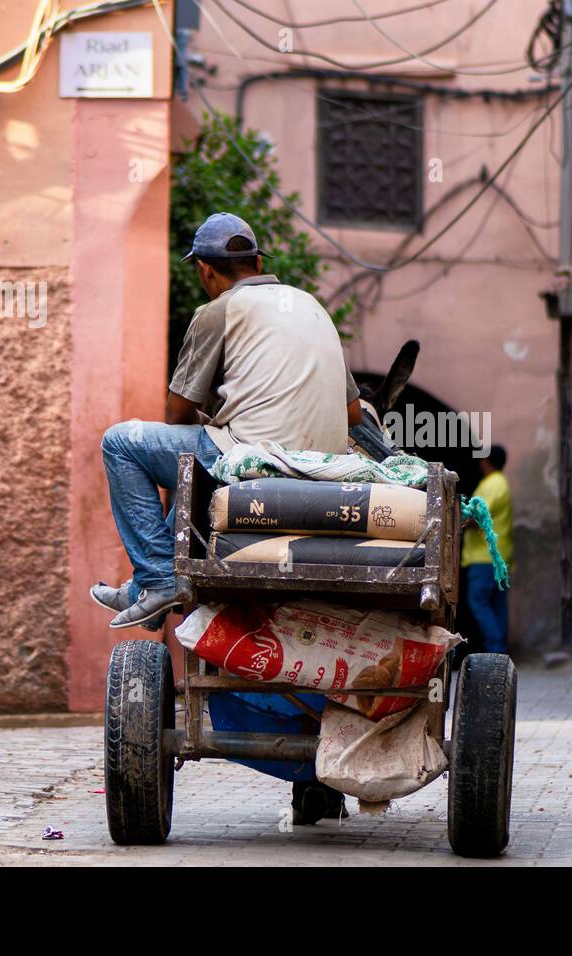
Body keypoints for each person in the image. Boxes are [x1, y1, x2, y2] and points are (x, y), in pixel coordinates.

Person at [91, 212, 362, 823]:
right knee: (191, 463)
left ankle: (155, 578)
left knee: (125, 443)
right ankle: (148, 579)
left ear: (209, 272)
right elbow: (351, 415)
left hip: (254, 461)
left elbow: (180, 414)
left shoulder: (217, 312)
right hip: (324, 473)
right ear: (261, 264)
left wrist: (223, 413)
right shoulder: (313, 307)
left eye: (204, 275)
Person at [462, 445, 513, 655]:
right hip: (498, 556)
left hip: (484, 557)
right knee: (496, 604)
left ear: (486, 462)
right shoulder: (501, 483)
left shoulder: (492, 484)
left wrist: (462, 519)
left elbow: (480, 516)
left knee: (478, 601)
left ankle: (495, 650)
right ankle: (500, 652)